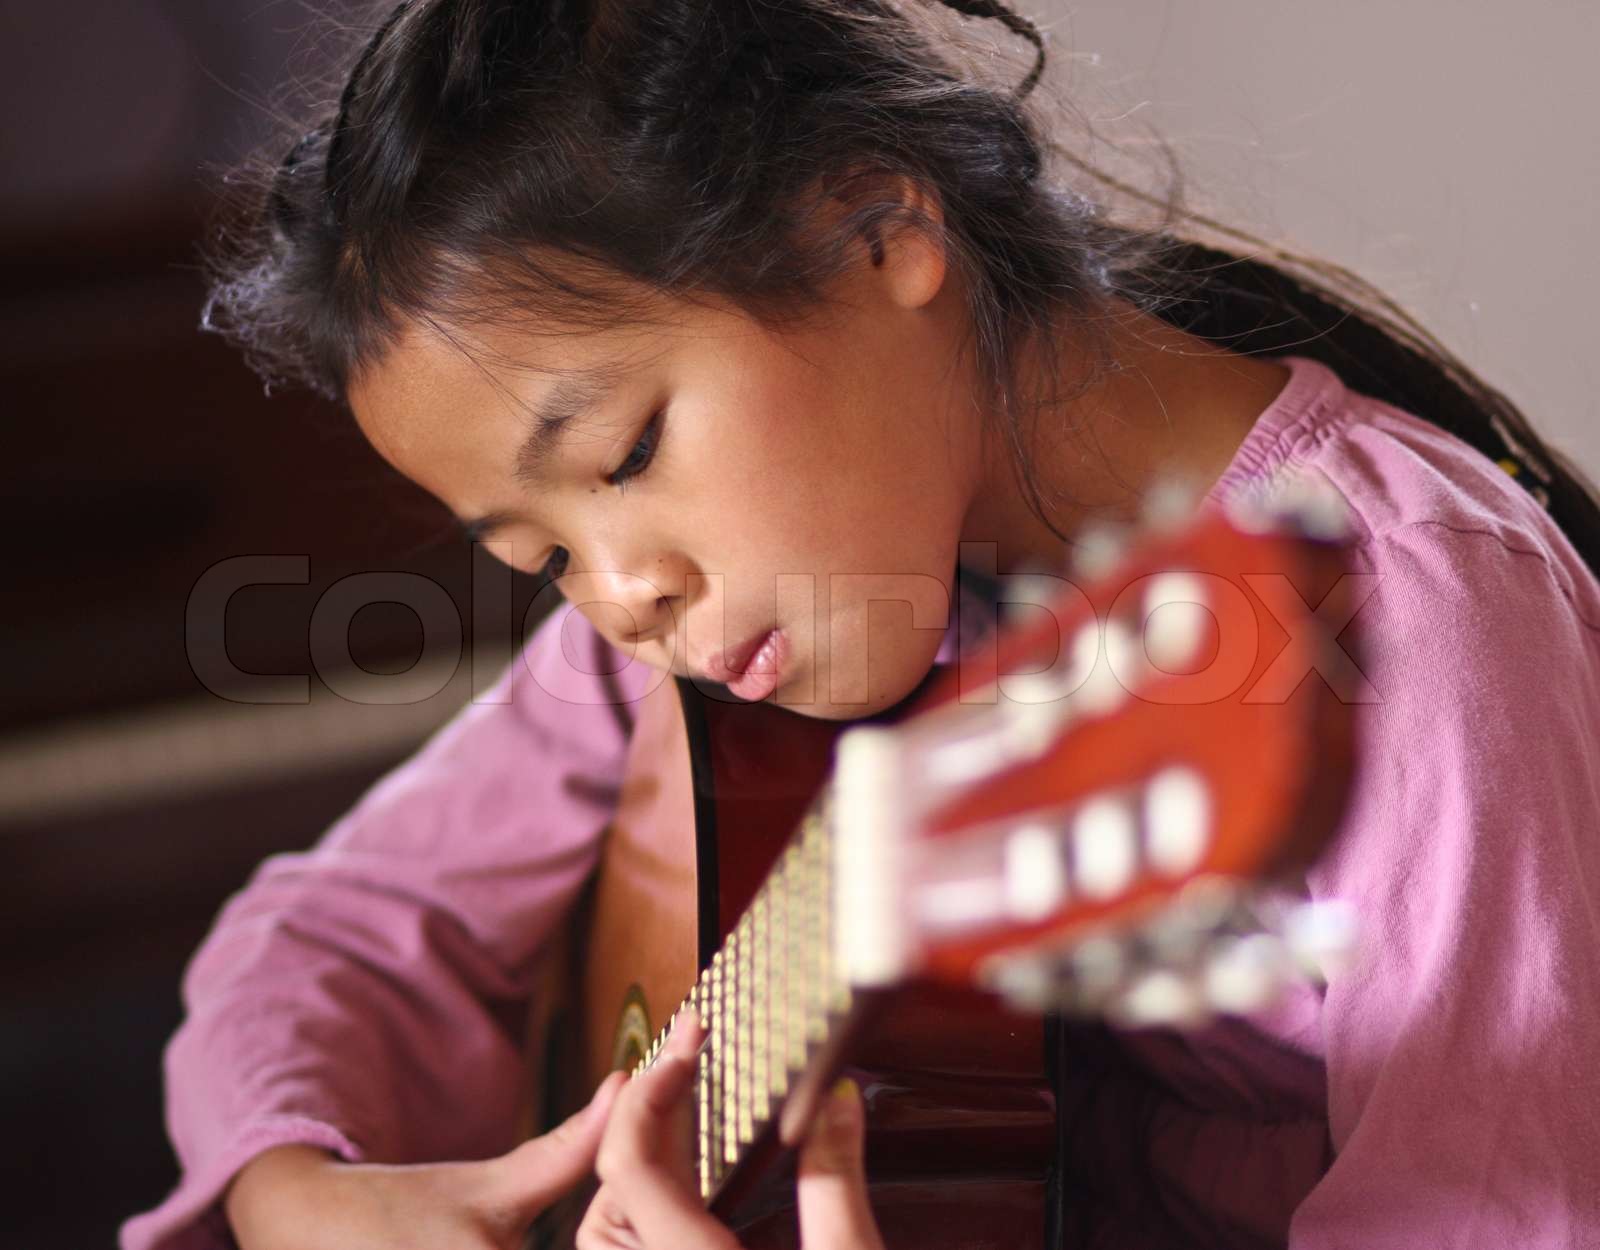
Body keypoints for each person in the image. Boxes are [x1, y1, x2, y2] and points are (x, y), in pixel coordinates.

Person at [122, 0, 1600, 1247]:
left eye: (626, 455)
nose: (620, 591)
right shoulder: (747, 608)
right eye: (538, 553)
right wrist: (293, 1189)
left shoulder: (1414, 625)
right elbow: (341, 926)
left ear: (878, 227)